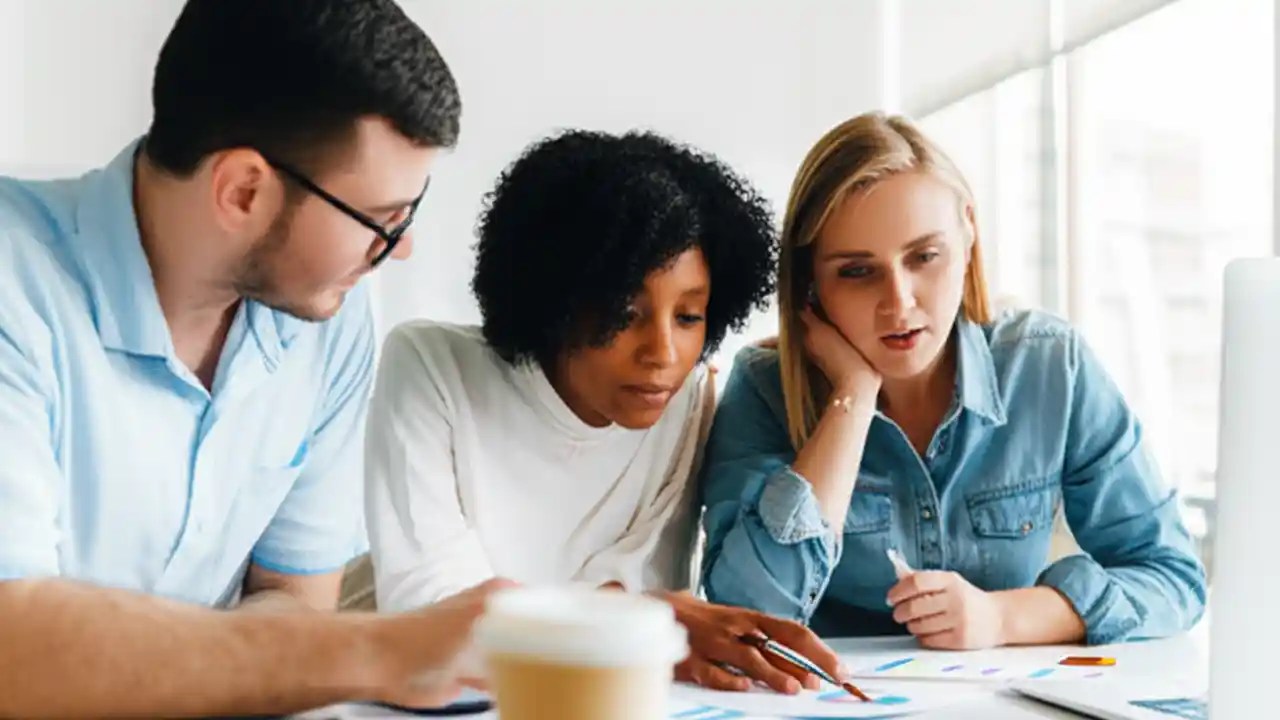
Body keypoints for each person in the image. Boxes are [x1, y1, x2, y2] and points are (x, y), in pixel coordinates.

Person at [0, 1, 503, 716]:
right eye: (383, 223)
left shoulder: (325, 320)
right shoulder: (15, 282)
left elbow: (290, 599)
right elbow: (12, 650)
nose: (401, 251)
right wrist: (383, 651)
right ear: (243, 190)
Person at [698, 112, 1207, 649]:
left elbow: (1173, 579)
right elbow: (744, 616)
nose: (899, 303)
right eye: (856, 271)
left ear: (968, 233)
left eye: (924, 257)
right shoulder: (761, 389)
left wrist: (1003, 618)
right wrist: (852, 397)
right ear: (809, 284)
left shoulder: (1049, 365)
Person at [363, 129, 842, 694]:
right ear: (555, 300)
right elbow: (432, 612)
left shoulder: (685, 398)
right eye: (625, 312)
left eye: (689, 317)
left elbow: (642, 590)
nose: (663, 354)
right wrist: (645, 618)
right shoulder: (430, 368)